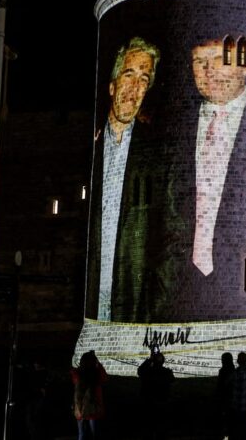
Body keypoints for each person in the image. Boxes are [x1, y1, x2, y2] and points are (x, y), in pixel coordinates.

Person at [87, 36, 161, 323]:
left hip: (131, 308)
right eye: (128, 75)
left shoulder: (154, 156)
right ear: (112, 85)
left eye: (144, 79)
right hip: (91, 302)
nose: (134, 87)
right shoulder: (92, 151)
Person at [190, 36, 246, 276]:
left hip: (237, 277)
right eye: (199, 61)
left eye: (219, 58)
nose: (208, 71)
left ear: (245, 63)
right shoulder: (170, 126)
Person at [138, 348, 175, 439]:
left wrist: (150, 359)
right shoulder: (167, 372)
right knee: (161, 428)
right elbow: (173, 380)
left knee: (149, 428)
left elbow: (140, 370)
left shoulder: (147, 371)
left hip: (148, 403)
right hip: (162, 403)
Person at [71, 350, 108, 440]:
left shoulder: (77, 373)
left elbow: (74, 382)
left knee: (81, 434)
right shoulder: (97, 374)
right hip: (93, 406)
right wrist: (98, 364)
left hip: (80, 407)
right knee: (94, 434)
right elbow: (105, 378)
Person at [230, 352, 246, 440]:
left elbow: (227, 383)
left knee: (238, 430)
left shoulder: (236, 373)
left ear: (238, 361)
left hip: (238, 407)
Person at [216, 352, 236, 440]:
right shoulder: (234, 370)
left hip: (225, 398)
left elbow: (220, 386)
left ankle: (225, 436)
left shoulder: (223, 371)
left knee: (225, 419)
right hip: (233, 399)